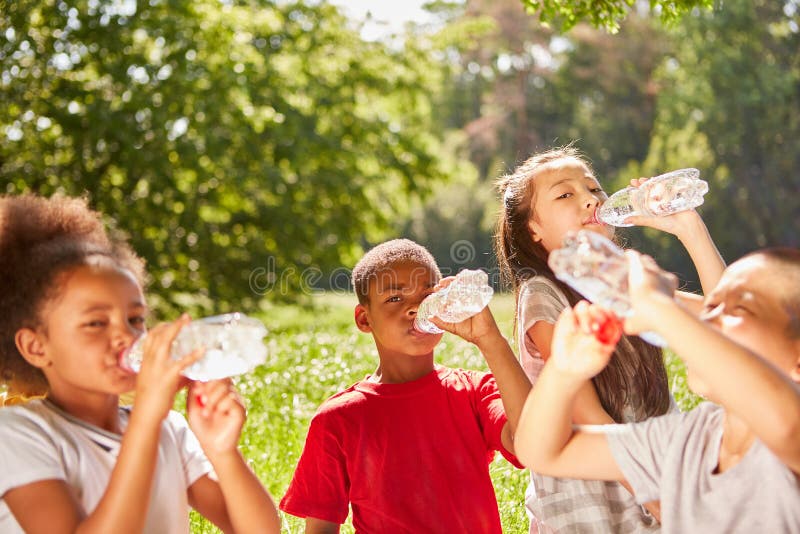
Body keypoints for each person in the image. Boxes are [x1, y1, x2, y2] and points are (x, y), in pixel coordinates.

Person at [0, 193, 281, 533]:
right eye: (96, 323)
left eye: (134, 319)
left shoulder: (170, 430)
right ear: (36, 347)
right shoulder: (18, 433)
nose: (125, 336)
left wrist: (223, 452)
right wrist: (147, 414)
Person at [494, 145, 725, 533]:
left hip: (652, 481)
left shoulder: (627, 281)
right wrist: (664, 506)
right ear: (533, 228)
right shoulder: (542, 294)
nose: (589, 200)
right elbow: (588, 414)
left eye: (594, 189)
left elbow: (728, 321)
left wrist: (689, 227)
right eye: (565, 194)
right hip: (598, 507)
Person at [515, 247, 800, 533]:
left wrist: (658, 306)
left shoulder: (787, 440)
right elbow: (545, 453)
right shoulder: (687, 440)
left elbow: (786, 425)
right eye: (710, 307)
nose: (705, 321)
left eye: (741, 308)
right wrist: (563, 374)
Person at [279, 238, 532, 533]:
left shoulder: (474, 392)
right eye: (394, 298)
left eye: (426, 295)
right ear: (364, 319)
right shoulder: (338, 419)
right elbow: (321, 529)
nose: (414, 308)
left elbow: (531, 444)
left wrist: (490, 340)